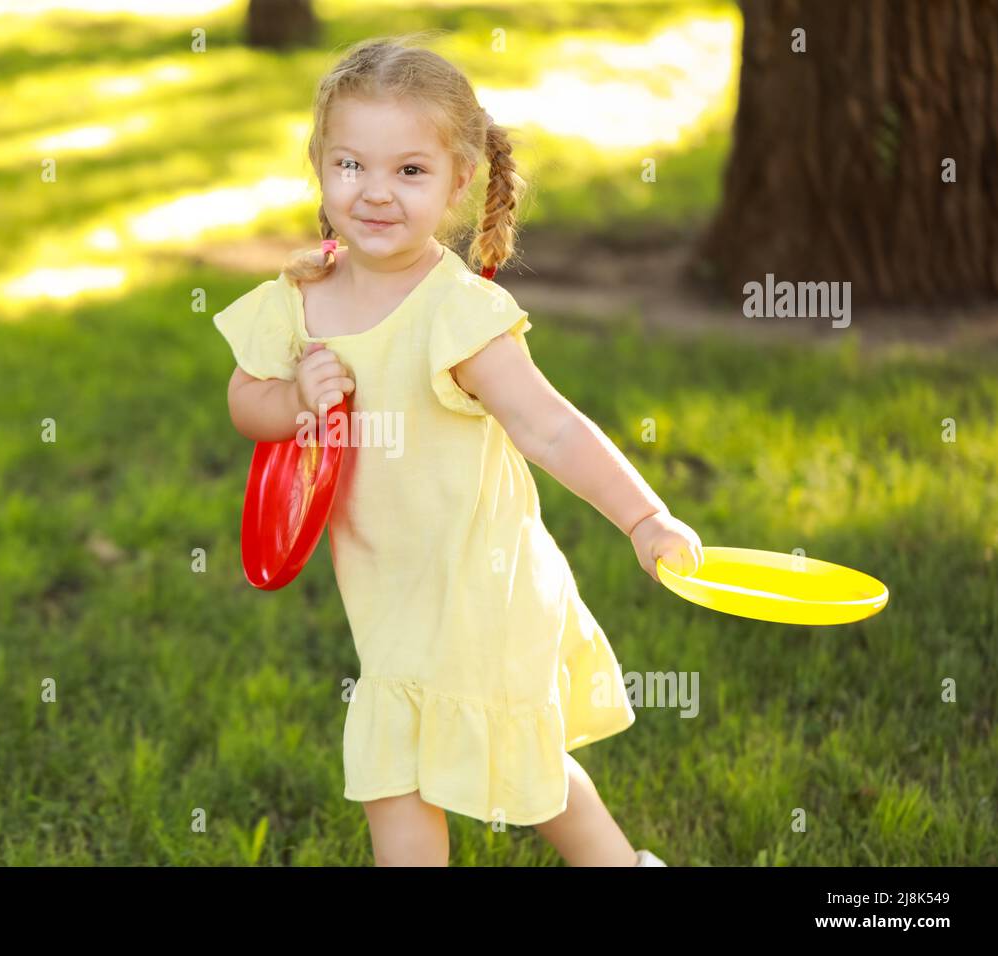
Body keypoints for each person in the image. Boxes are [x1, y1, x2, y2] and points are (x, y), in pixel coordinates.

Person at [213, 34, 702, 867]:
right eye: (350, 166)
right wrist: (294, 399)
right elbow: (244, 405)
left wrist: (644, 518)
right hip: (391, 592)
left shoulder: (457, 315)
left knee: (474, 764)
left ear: (458, 181)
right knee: (453, 761)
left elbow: (548, 426)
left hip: (482, 588)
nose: (375, 193)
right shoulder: (295, 300)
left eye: (409, 171)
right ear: (319, 166)